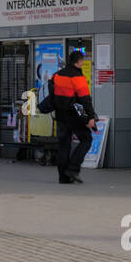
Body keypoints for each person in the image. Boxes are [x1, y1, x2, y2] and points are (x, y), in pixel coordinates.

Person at [51, 50, 97, 185]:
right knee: (86, 139)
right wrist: (91, 117)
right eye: (82, 61)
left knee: (63, 145)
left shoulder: (57, 75)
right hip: (75, 116)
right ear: (79, 62)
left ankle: (63, 178)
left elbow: (52, 92)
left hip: (60, 115)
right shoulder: (78, 77)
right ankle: (72, 168)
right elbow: (85, 99)